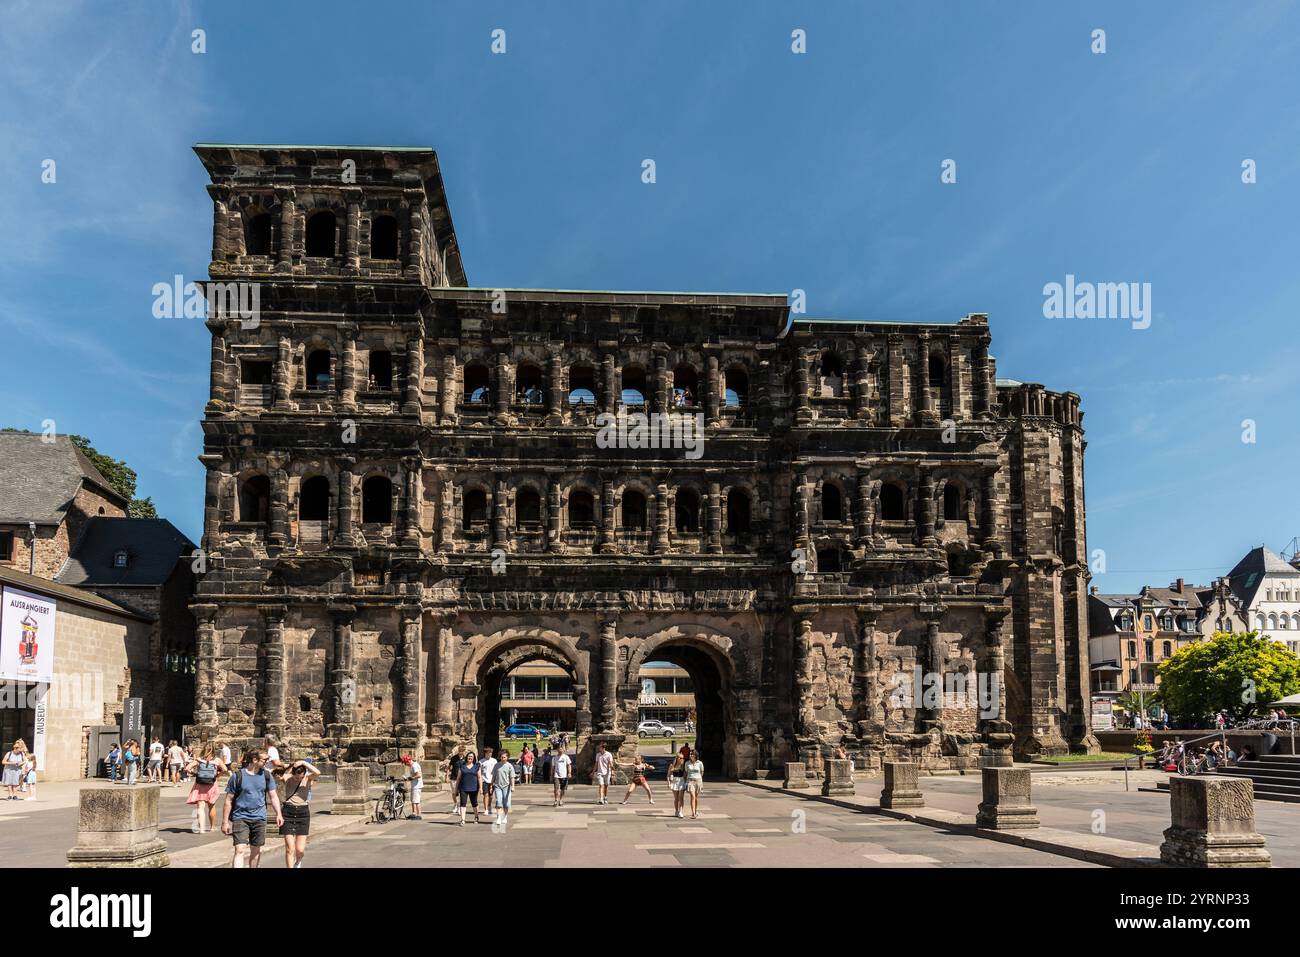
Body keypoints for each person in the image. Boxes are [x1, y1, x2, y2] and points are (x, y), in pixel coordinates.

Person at [222, 748, 283, 868]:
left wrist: (279, 814)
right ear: (255, 760)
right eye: (265, 759)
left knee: (255, 850)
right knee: (239, 850)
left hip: (259, 817)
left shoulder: (266, 775)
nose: (267, 761)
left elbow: (273, 796)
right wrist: (225, 822)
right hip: (240, 817)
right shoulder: (237, 776)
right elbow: (228, 800)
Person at [277, 756, 320, 869]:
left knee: (300, 850)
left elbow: (317, 772)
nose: (298, 779)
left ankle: (298, 862)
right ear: (293, 773)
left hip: (303, 813)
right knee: (289, 848)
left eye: (300, 777)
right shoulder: (287, 777)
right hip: (288, 812)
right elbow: (275, 773)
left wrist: (304, 763)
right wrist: (290, 766)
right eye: (296, 777)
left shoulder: (307, 778)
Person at [185, 744, 227, 832]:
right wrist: (217, 775)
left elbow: (187, 768)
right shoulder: (217, 760)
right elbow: (225, 769)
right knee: (212, 805)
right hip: (212, 784)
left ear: (204, 749)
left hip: (200, 784)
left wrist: (195, 774)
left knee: (200, 806)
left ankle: (201, 828)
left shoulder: (199, 760)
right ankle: (212, 827)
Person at [454, 751, 481, 825]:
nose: (470, 758)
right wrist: (456, 788)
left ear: (474, 758)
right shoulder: (462, 766)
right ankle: (463, 819)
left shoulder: (477, 766)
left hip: (474, 787)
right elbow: (458, 778)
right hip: (463, 788)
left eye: (471, 757)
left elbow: (479, 777)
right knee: (463, 803)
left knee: (474, 803)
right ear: (466, 757)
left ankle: (476, 816)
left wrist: (481, 788)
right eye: (469, 756)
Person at [493, 749, 516, 826]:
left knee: (506, 803)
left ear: (507, 757)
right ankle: (499, 817)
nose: (503, 759)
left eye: (504, 757)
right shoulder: (497, 765)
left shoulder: (510, 766)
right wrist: (491, 784)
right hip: (498, 786)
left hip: (506, 786)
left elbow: (512, 777)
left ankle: (505, 817)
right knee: (499, 801)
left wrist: (513, 786)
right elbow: (494, 775)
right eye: (502, 757)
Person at [668, 745, 689, 818]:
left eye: (682, 758)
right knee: (676, 798)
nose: (682, 759)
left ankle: (681, 811)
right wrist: (668, 783)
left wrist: (686, 783)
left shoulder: (684, 765)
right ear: (677, 758)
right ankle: (676, 811)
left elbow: (685, 775)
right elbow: (668, 775)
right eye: (680, 758)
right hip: (674, 781)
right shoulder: (672, 765)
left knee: (681, 797)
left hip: (681, 781)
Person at [683, 748, 704, 819]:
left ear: (695, 755)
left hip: (698, 781)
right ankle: (693, 813)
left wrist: (699, 779)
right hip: (690, 781)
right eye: (690, 754)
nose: (690, 755)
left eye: (692, 754)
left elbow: (702, 772)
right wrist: (685, 781)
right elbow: (685, 772)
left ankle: (695, 810)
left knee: (696, 797)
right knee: (692, 796)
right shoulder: (687, 763)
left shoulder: (700, 763)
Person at [402, 754, 423, 819]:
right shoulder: (412, 765)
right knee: (413, 800)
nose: (406, 765)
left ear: (408, 762)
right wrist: (407, 777)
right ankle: (413, 813)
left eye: (405, 764)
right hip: (414, 785)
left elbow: (419, 775)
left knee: (416, 801)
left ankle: (419, 815)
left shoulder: (414, 766)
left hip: (417, 785)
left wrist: (412, 778)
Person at [552, 743, 572, 807]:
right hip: (556, 775)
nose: (560, 750)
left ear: (563, 750)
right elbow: (553, 767)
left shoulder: (566, 757)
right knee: (556, 789)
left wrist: (569, 773)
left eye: (561, 749)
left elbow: (569, 765)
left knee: (563, 789)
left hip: (564, 775)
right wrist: (551, 774)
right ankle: (556, 800)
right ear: (557, 750)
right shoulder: (554, 758)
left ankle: (560, 800)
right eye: (559, 749)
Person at [479, 748, 499, 815]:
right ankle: (486, 809)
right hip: (484, 780)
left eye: (491, 752)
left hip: (492, 780)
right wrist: (481, 780)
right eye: (488, 752)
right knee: (486, 795)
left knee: (491, 796)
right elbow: (480, 772)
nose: (490, 754)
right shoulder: (481, 761)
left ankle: (489, 805)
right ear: (485, 753)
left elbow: (496, 770)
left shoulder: (494, 761)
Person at [447, 745, 464, 815]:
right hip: (454, 777)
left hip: (462, 778)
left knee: (461, 793)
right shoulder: (454, 758)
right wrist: (447, 776)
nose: (461, 752)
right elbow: (449, 767)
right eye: (460, 751)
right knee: (454, 792)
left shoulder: (465, 758)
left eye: (462, 751)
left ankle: (460, 807)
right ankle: (455, 804)